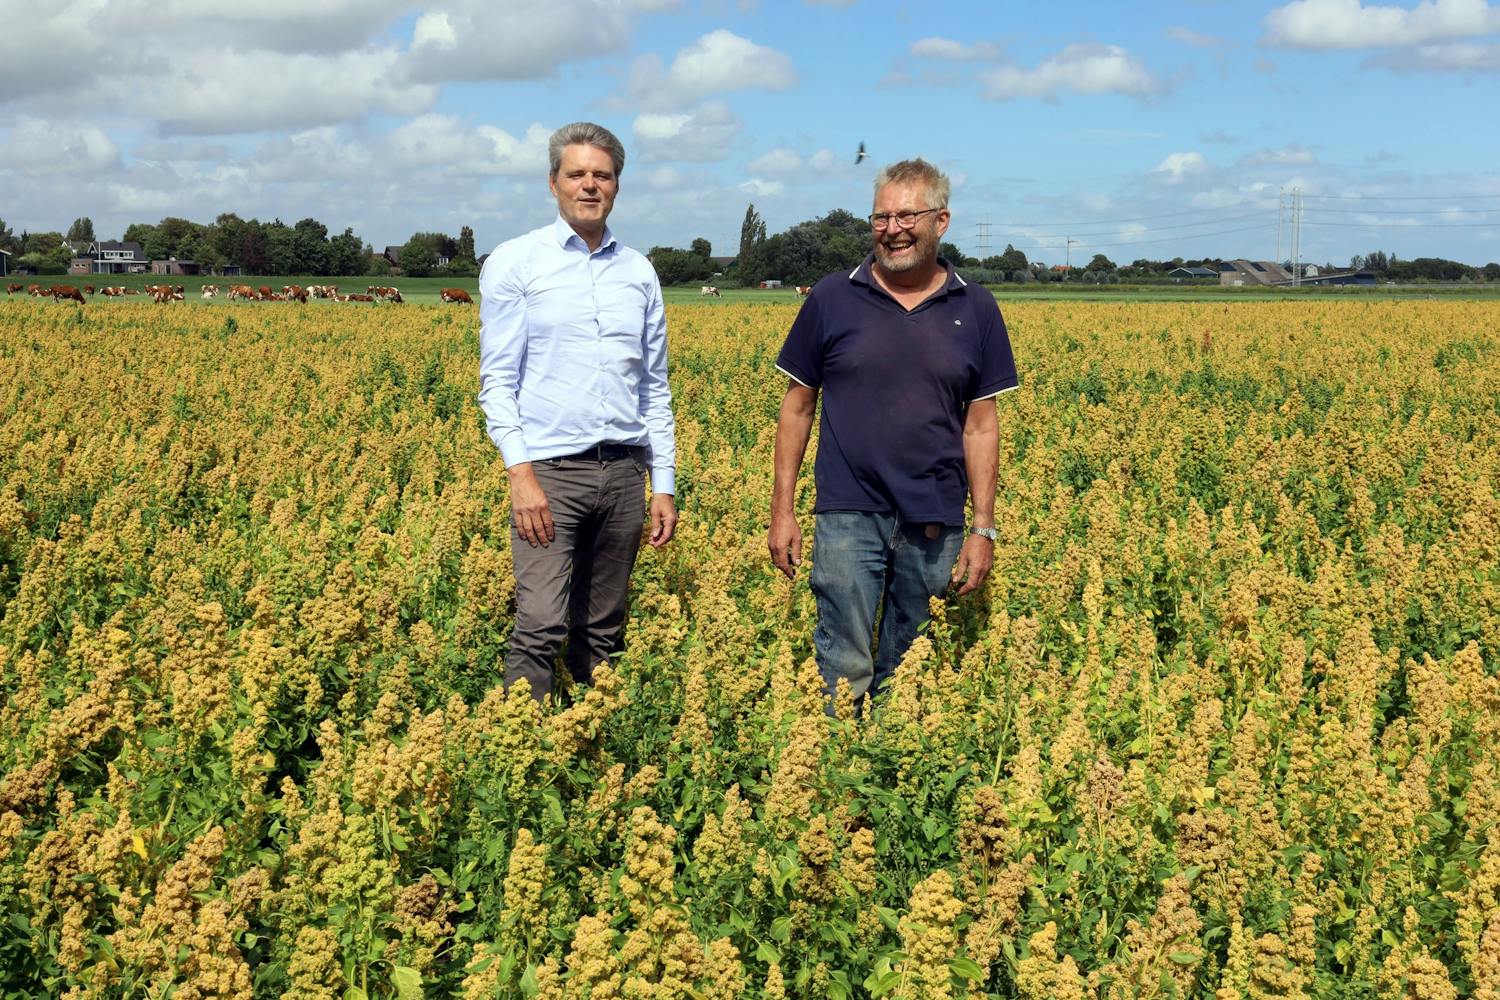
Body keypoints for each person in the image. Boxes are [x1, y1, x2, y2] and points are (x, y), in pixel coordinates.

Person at [768, 157, 1017, 706]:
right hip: (848, 511)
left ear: (941, 221)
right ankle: (831, 774)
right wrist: (782, 510)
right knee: (842, 659)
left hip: (936, 515)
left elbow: (981, 425)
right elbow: (798, 407)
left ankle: (889, 774)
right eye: (881, 217)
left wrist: (984, 527)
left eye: (907, 216)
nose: (892, 230)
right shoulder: (833, 296)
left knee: (913, 664)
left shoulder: (975, 307)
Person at [478, 121, 678, 701]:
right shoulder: (518, 262)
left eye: (603, 175)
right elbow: (498, 382)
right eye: (578, 175)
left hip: (622, 474)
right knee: (540, 624)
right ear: (553, 183)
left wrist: (661, 483)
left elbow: (653, 387)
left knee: (603, 628)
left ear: (617, 186)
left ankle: (592, 739)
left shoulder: (638, 272)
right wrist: (521, 476)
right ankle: (520, 748)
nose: (590, 186)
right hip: (549, 476)